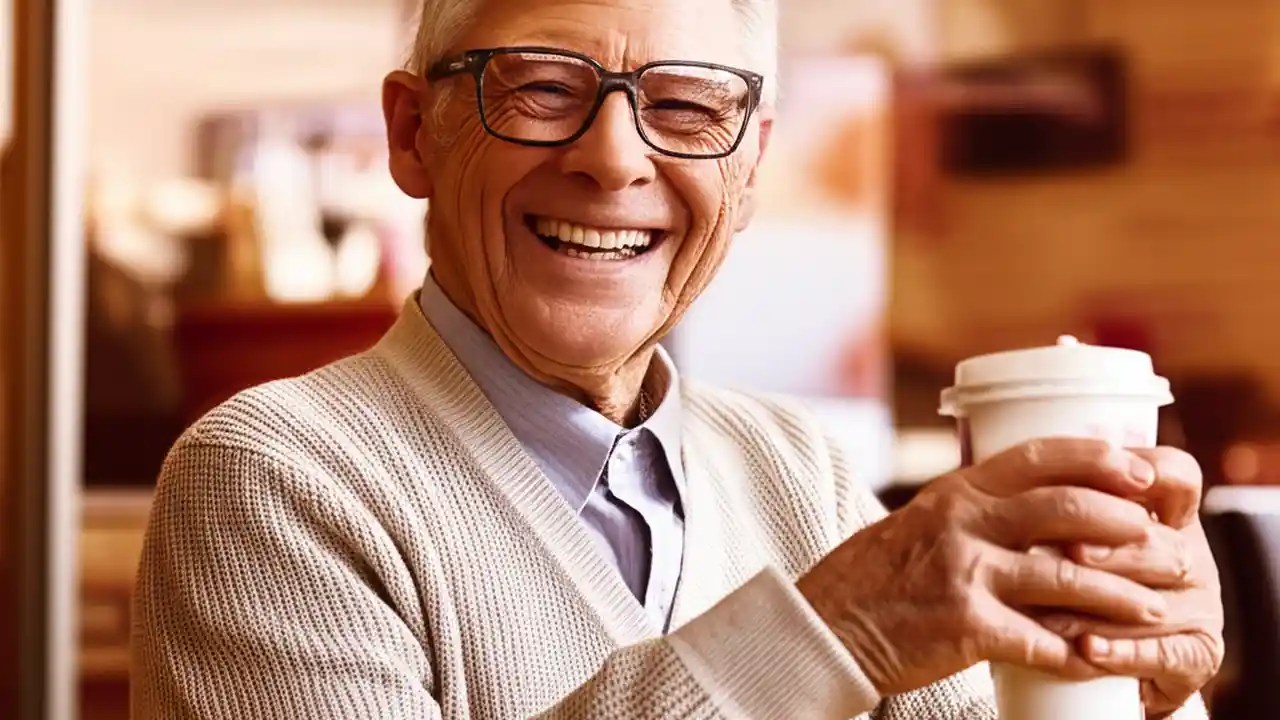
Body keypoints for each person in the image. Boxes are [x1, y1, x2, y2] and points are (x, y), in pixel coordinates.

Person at [131, 0, 1224, 717]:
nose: (614, 161)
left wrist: (1135, 685)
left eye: (685, 107)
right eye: (540, 88)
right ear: (414, 134)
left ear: (747, 170)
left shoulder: (796, 466)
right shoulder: (272, 480)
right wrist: (830, 633)